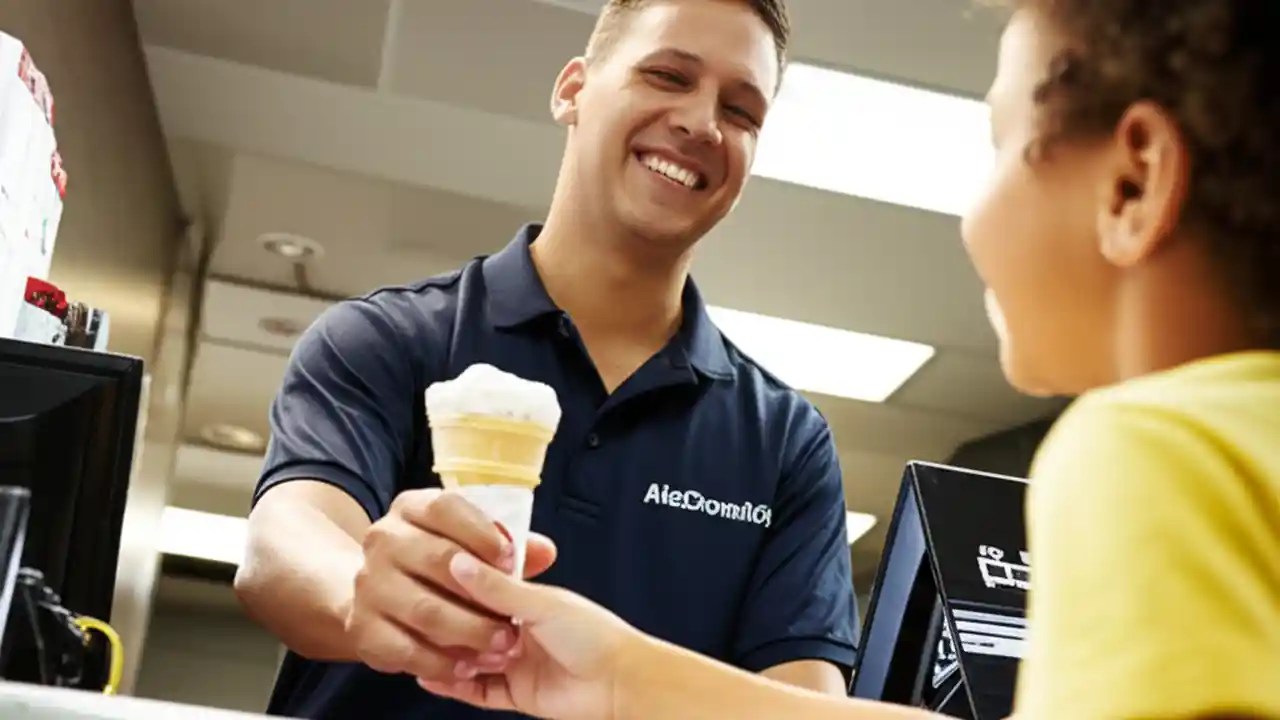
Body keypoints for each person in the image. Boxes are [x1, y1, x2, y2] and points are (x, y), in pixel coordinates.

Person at [413, 1, 1280, 718]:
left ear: (1133, 182)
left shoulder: (1149, 451)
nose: (971, 217)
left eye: (998, 146)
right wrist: (623, 678)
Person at [234, 0, 861, 718]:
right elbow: (285, 547)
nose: (701, 123)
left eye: (742, 111)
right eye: (666, 75)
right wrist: (371, 592)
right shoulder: (390, 339)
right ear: (572, 90)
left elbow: (806, 705)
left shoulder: (785, 442)